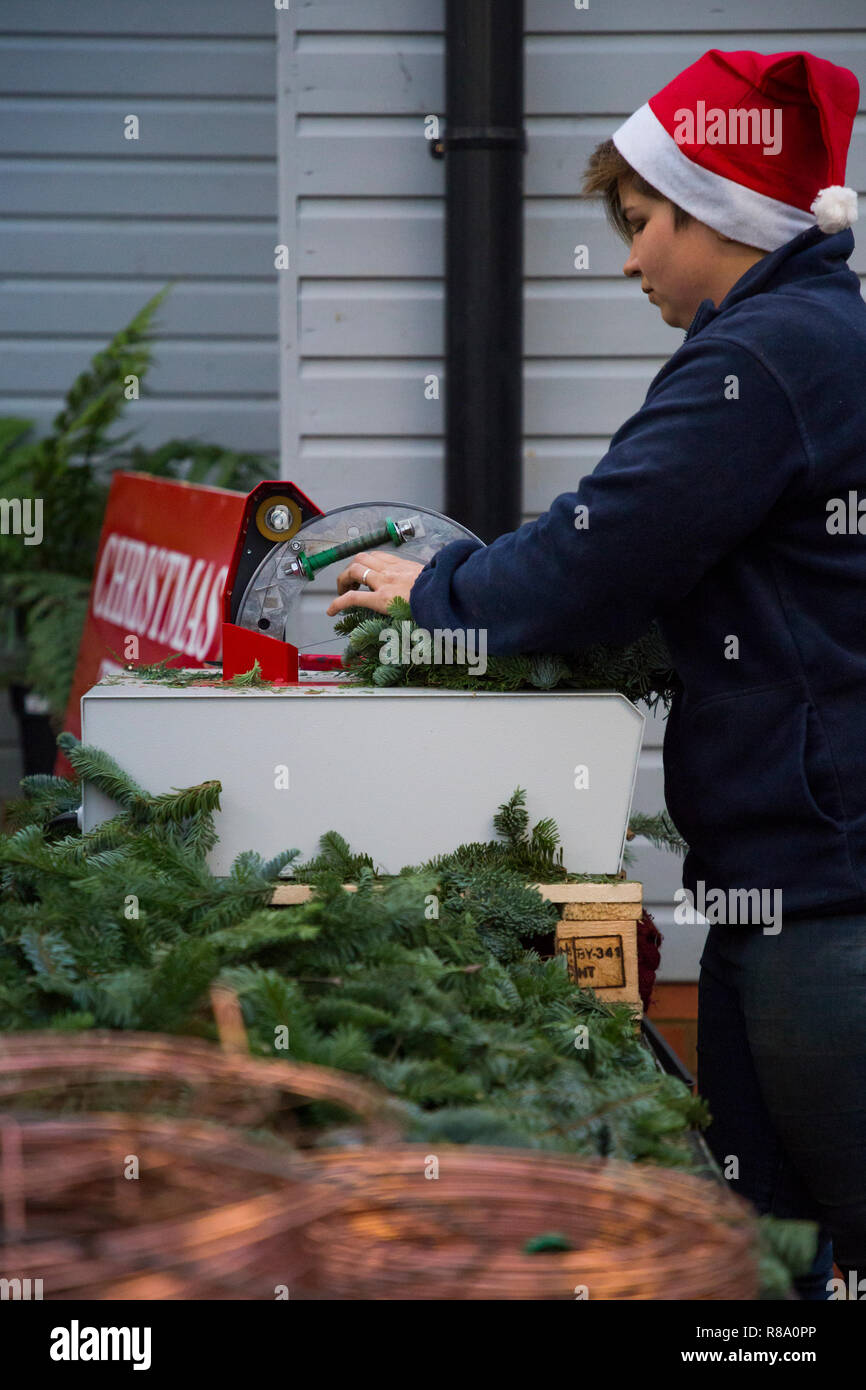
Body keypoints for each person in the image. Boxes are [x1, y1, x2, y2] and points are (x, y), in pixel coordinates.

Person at [326, 49, 865, 1300]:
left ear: (716, 211)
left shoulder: (769, 355)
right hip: (786, 873)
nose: (626, 261)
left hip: (824, 892)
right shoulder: (808, 335)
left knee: (795, 1228)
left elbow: (602, 546)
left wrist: (435, 594)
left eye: (639, 225)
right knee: (768, 1243)